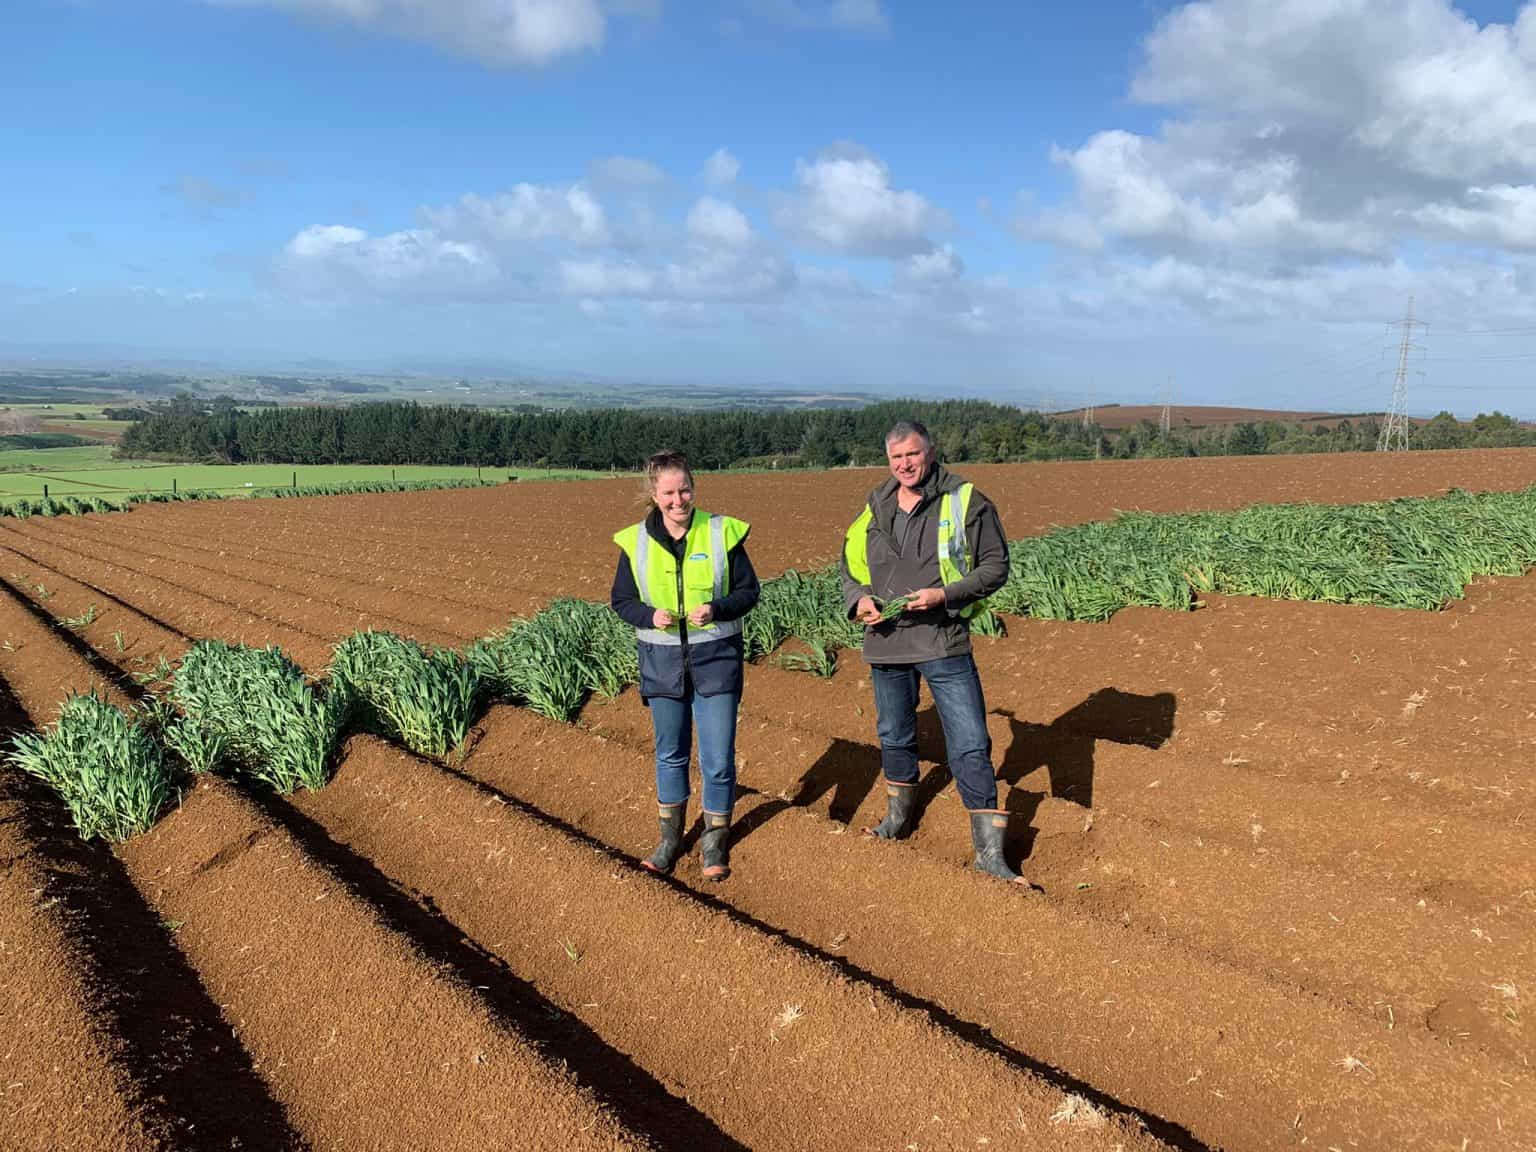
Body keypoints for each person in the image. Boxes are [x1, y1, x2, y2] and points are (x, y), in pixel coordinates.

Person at [840, 419, 1026, 885]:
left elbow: (995, 566)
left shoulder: (965, 500)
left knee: (968, 741)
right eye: (896, 457)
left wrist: (944, 595)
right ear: (888, 460)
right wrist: (859, 599)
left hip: (942, 637)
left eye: (913, 455)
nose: (905, 465)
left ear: (930, 452)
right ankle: (897, 819)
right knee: (894, 734)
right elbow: (849, 564)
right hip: (885, 641)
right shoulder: (876, 503)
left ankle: (988, 854)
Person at [611, 449, 760, 881]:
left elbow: (749, 592)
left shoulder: (720, 533)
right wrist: (648, 615)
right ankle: (669, 839)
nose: (679, 500)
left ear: (694, 489)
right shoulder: (634, 541)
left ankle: (714, 841)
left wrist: (717, 608)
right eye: (669, 493)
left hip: (716, 662)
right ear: (654, 495)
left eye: (685, 490)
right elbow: (621, 600)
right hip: (662, 664)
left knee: (717, 758)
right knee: (670, 755)